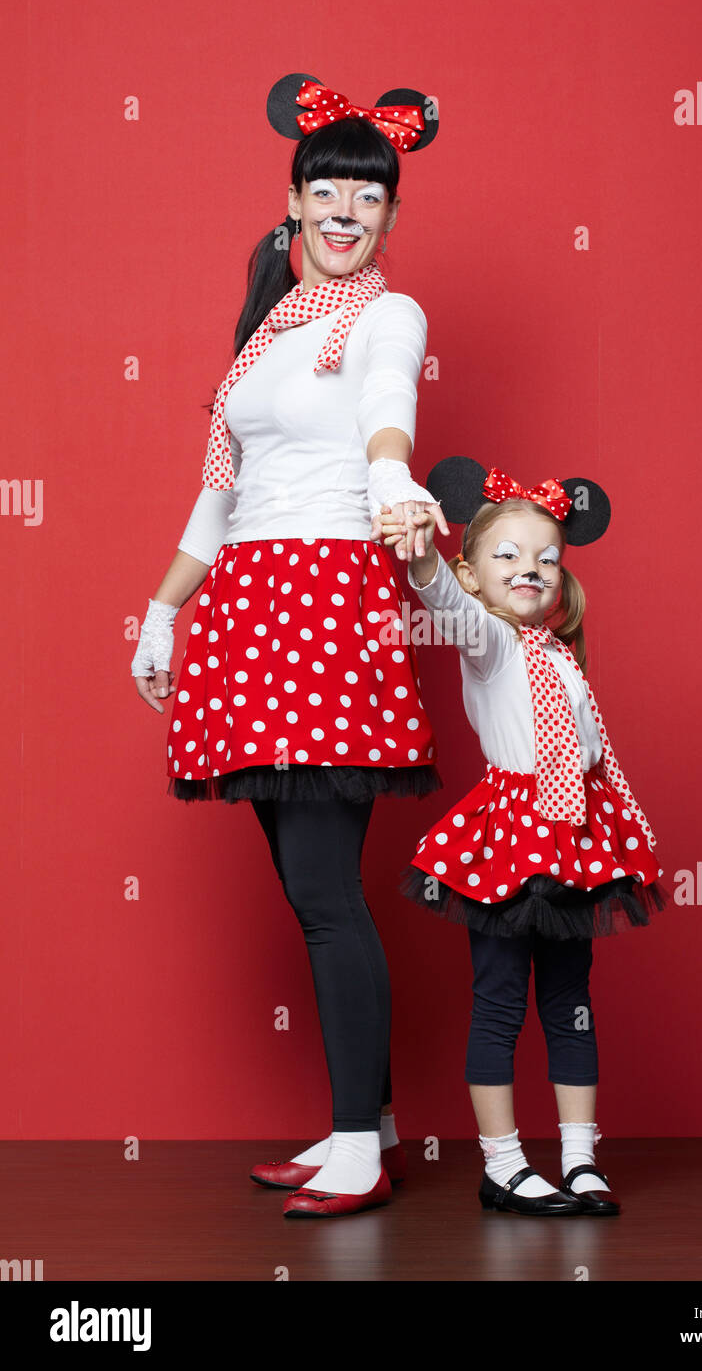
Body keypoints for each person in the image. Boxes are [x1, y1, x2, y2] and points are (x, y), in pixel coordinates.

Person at [131, 73, 449, 1218]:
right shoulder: (265, 333)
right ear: (294, 199)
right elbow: (221, 494)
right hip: (247, 610)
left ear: (391, 217)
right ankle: (365, 1120)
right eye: (329, 189)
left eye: (369, 194)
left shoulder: (384, 314)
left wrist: (388, 473)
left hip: (327, 593)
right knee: (299, 882)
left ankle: (361, 1145)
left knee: (324, 891)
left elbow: (385, 403)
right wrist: (165, 611)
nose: (346, 210)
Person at [378, 457, 674, 1216]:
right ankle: (502, 1165)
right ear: (473, 576)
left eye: (546, 557)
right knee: (500, 999)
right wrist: (419, 553)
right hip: (509, 835)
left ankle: (580, 1161)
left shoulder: (559, 655)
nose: (529, 569)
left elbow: (585, 750)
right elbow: (440, 598)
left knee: (571, 1000)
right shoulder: (490, 641)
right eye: (506, 555)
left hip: (573, 834)